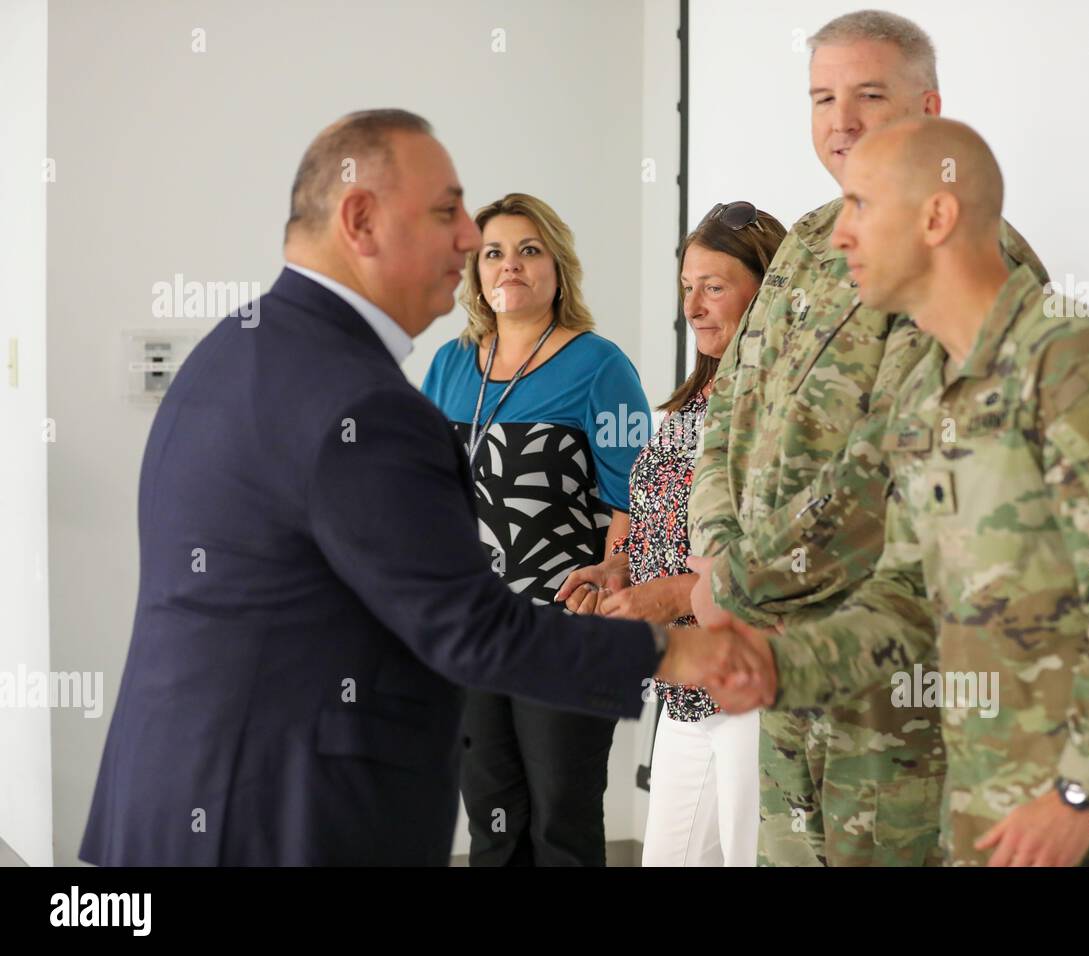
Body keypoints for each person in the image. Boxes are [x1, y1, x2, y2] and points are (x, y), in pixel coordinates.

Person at [77, 109, 753, 867]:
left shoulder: (232, 349)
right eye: (447, 213)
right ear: (361, 220)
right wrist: (676, 653)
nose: (468, 240)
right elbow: (468, 626)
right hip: (286, 817)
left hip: (176, 802)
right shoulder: (366, 402)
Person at [734, 116, 1089, 866]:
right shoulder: (928, 392)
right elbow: (904, 598)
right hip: (986, 821)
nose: (839, 237)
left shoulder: (1075, 364)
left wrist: (1078, 796)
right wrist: (775, 665)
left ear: (937, 214)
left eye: (862, 206)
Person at [686, 9, 1048, 866]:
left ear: (929, 108)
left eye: (867, 95)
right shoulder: (811, 242)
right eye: (822, 98)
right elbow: (726, 415)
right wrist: (715, 553)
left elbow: (895, 472)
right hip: (780, 657)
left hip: (893, 679)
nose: (839, 120)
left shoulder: (969, 251)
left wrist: (739, 585)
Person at [421, 193, 653, 866]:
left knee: (562, 817)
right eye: (494, 251)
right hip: (474, 628)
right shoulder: (451, 364)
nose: (510, 265)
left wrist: (614, 583)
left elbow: (636, 499)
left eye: (529, 250)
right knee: (491, 817)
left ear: (558, 267)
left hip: (566, 627)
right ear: (475, 270)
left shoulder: (599, 367)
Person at [556, 202, 787, 866]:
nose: (693, 305)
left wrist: (681, 595)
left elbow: (783, 553)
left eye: (714, 286)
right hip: (684, 687)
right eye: (687, 287)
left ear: (765, 286)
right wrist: (620, 567)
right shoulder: (694, 399)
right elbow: (652, 507)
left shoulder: (784, 402)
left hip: (751, 681)